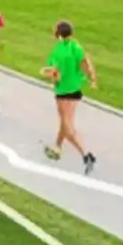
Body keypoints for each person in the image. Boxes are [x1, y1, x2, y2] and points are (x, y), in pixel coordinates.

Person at [41, 20, 98, 175]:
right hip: (75, 89)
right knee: (66, 121)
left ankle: (86, 154)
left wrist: (46, 73)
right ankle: (57, 146)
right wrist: (92, 78)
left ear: (58, 35)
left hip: (63, 91)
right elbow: (85, 63)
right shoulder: (76, 46)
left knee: (67, 124)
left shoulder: (57, 52)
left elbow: (55, 74)